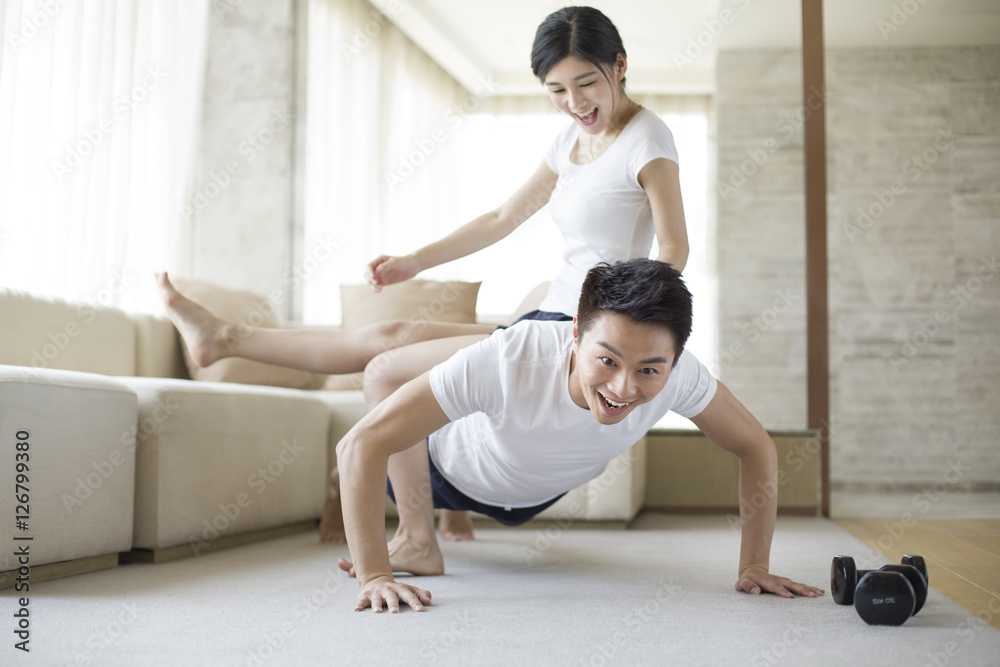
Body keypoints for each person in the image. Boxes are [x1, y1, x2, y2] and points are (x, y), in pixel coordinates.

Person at [363, 6, 688, 540]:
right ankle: (442, 514)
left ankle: (415, 536)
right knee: (396, 344)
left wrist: (631, 327)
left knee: (389, 361)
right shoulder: (569, 142)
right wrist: (415, 261)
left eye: (587, 83)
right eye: (557, 90)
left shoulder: (647, 138)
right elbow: (503, 218)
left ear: (620, 65)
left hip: (581, 327)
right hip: (550, 313)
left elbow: (674, 246)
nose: (575, 103)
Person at [335, 259, 825, 612]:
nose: (623, 388)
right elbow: (360, 444)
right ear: (575, 333)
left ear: (674, 360)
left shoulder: (682, 374)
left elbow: (755, 446)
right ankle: (410, 519)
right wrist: (375, 575)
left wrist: (754, 566)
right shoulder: (508, 357)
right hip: (443, 474)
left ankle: (451, 519)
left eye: (649, 370)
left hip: (532, 494)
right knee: (379, 407)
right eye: (607, 360)